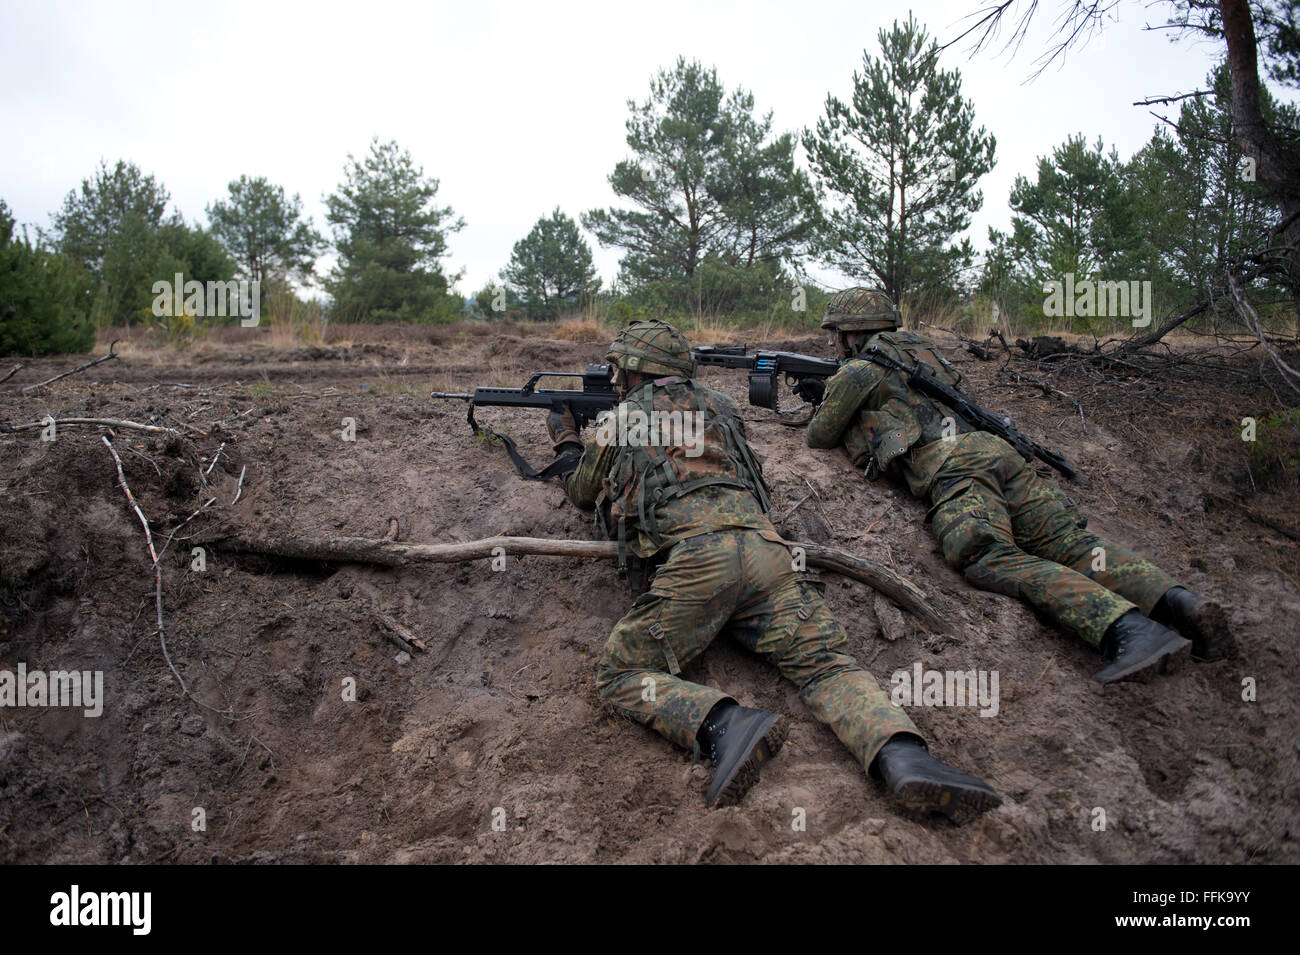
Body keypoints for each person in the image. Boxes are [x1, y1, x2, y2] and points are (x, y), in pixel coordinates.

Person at [545, 319, 1000, 818]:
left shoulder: (625, 415)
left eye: (618, 370)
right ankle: (904, 757)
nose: (613, 379)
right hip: (767, 553)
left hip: (698, 563)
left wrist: (567, 440)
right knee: (827, 665)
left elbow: (583, 492)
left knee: (620, 672)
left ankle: (725, 725)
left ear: (632, 371)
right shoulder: (721, 406)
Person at [806, 288, 1235, 684]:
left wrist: (828, 397)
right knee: (1072, 542)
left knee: (987, 557)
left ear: (854, 333)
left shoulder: (860, 369)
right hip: (1000, 454)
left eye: (835, 334)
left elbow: (819, 436)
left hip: (956, 468)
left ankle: (1125, 628)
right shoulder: (924, 353)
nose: (830, 344)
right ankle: (1182, 605)